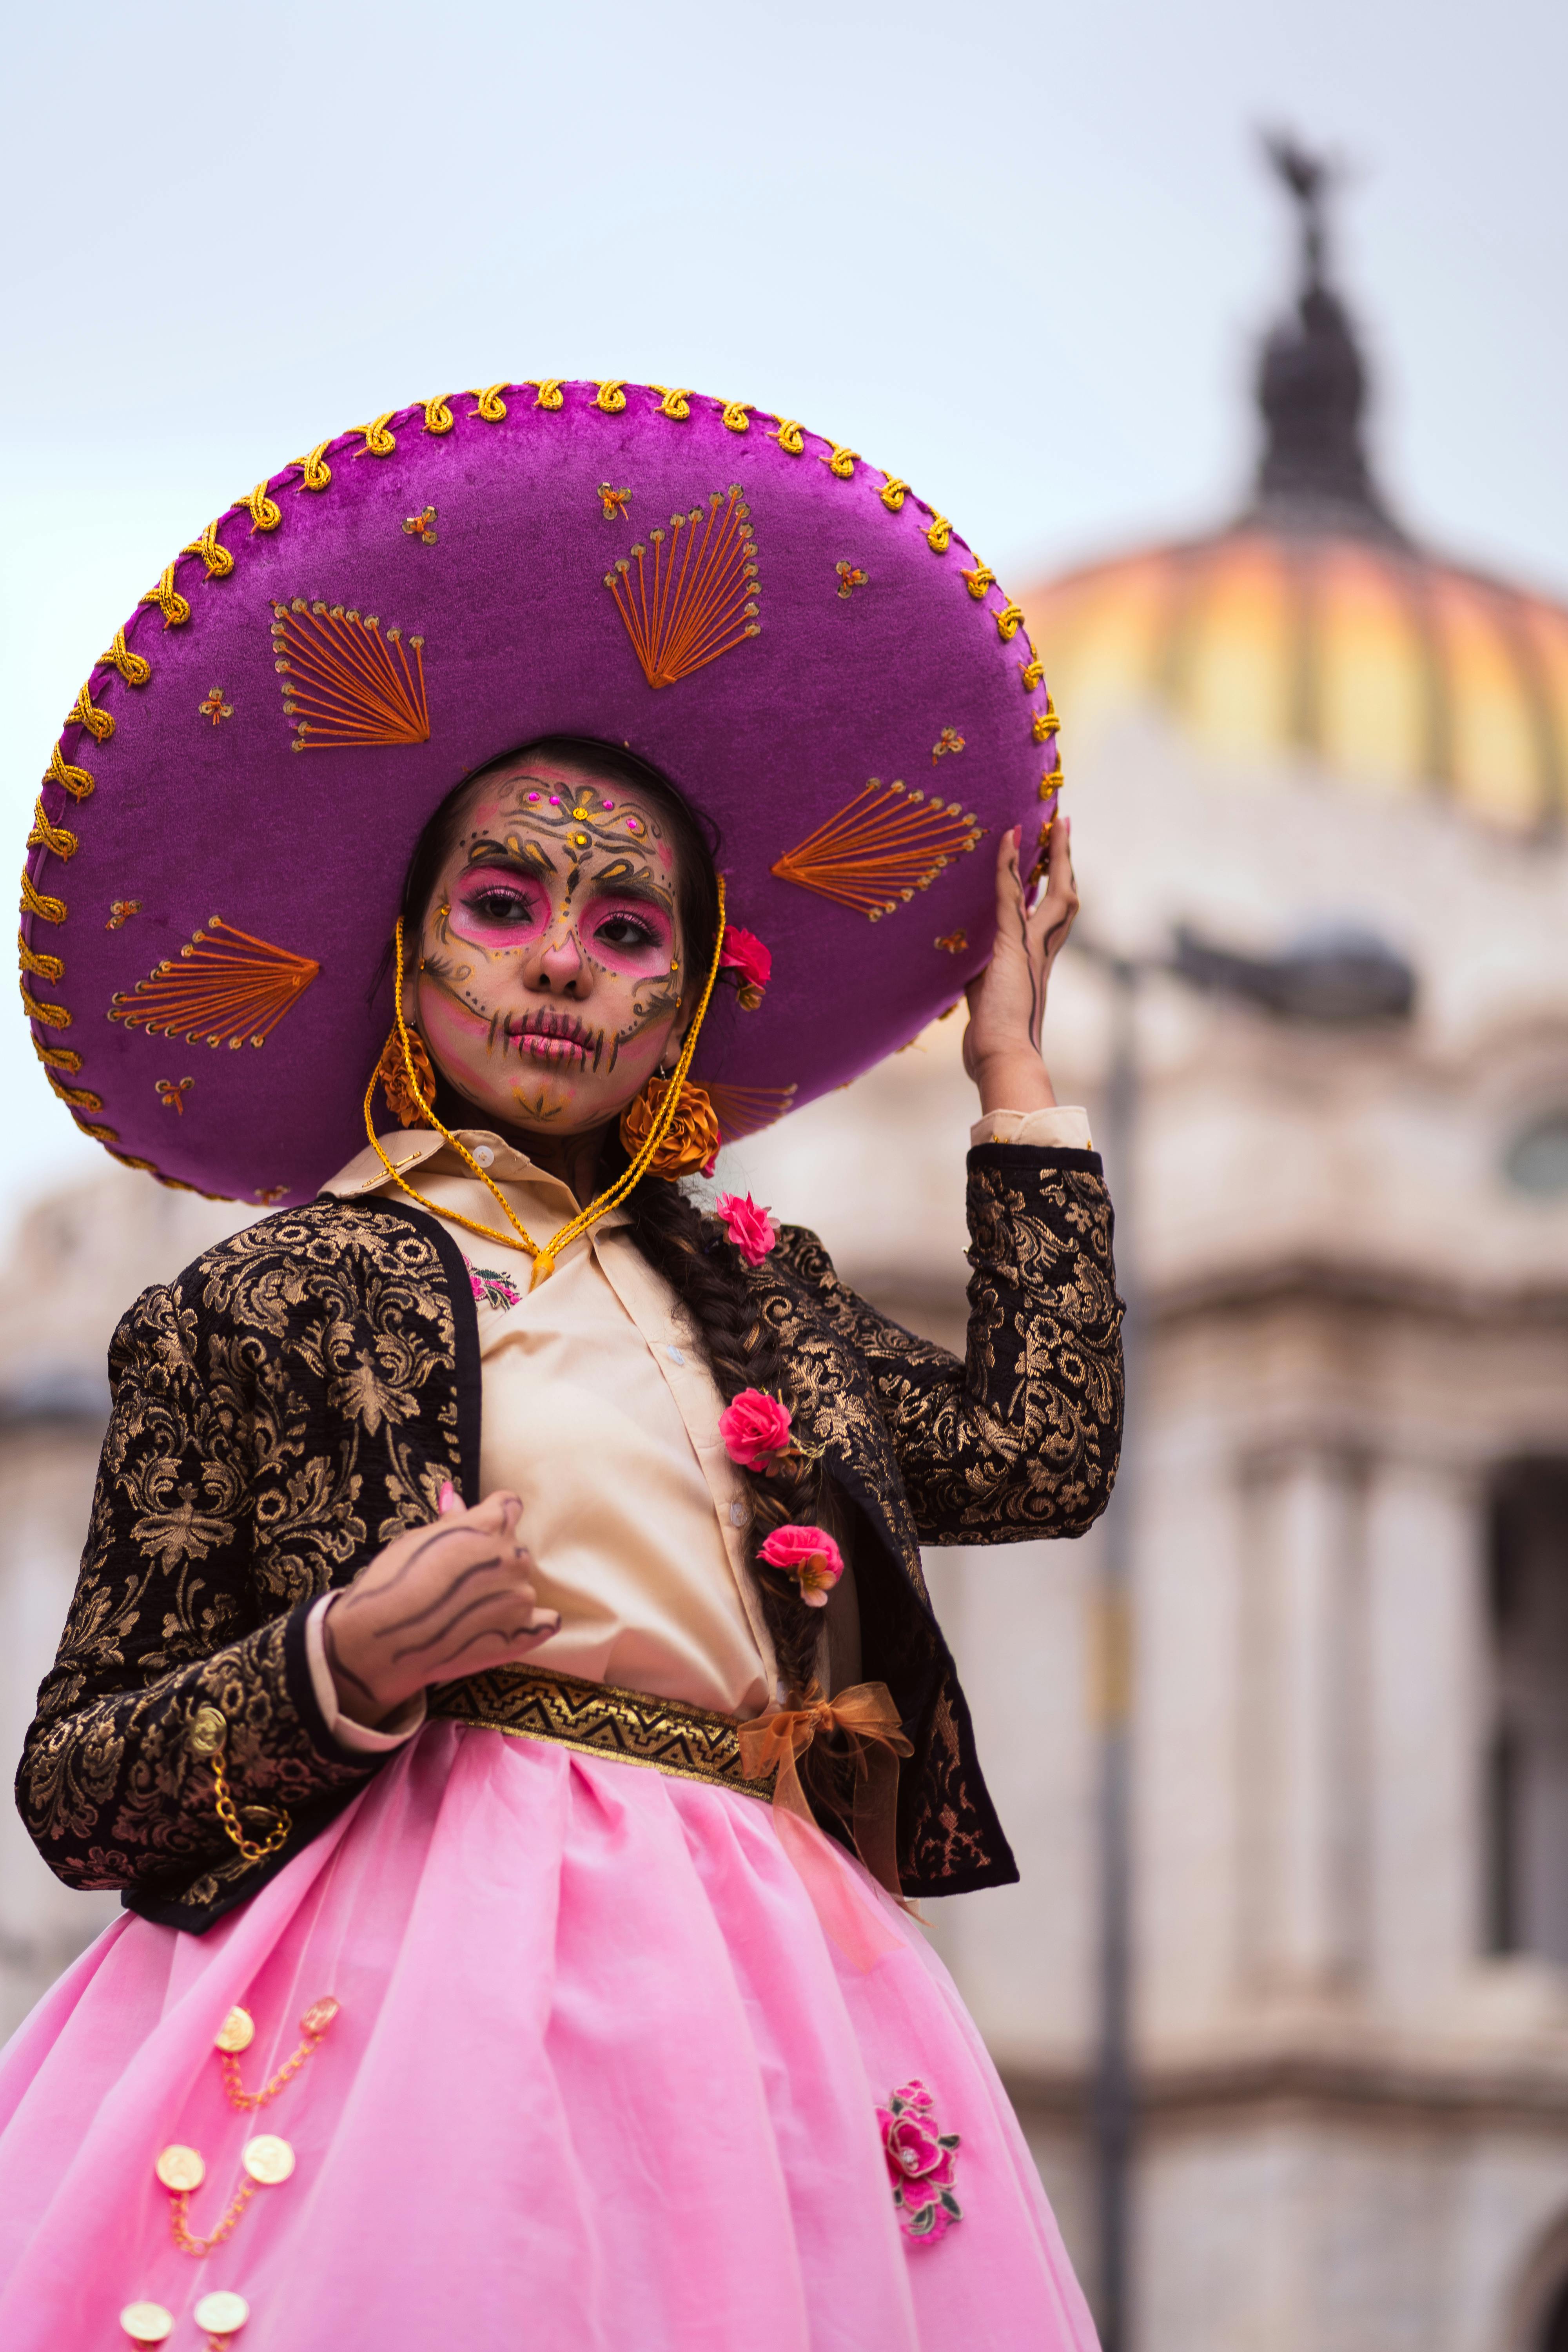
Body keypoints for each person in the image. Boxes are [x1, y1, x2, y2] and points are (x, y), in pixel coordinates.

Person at [2, 382, 1122, 2350]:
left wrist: (1013, 1088)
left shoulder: (753, 1297)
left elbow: (1037, 1456)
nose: (558, 964)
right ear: (414, 952)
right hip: (395, 1979)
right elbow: (85, 1790)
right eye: (503, 906)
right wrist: (344, 1662)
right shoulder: (262, 1302)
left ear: (685, 1002)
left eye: (625, 931)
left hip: (755, 1981)